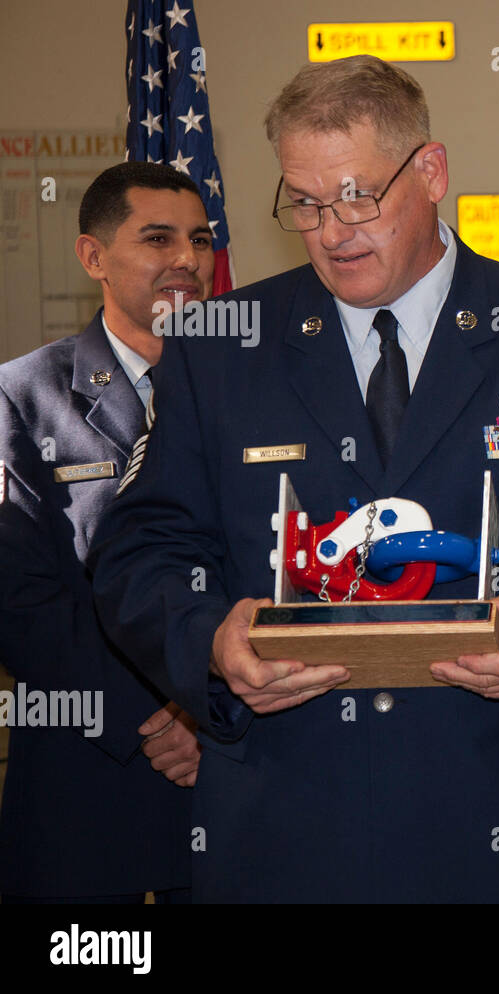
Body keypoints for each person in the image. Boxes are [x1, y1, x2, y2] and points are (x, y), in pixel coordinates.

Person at [89, 55, 499, 902]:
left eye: (356, 195)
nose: (331, 231)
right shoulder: (217, 349)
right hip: (285, 832)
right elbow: (137, 550)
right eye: (303, 203)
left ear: (431, 173)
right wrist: (209, 643)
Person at [0, 162, 208, 903]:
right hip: (92, 788)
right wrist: (157, 722)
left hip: (233, 775)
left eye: (200, 239)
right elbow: (20, 602)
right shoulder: (20, 397)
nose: (187, 259)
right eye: (158, 238)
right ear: (94, 257)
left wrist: (209, 714)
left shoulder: (253, 389)